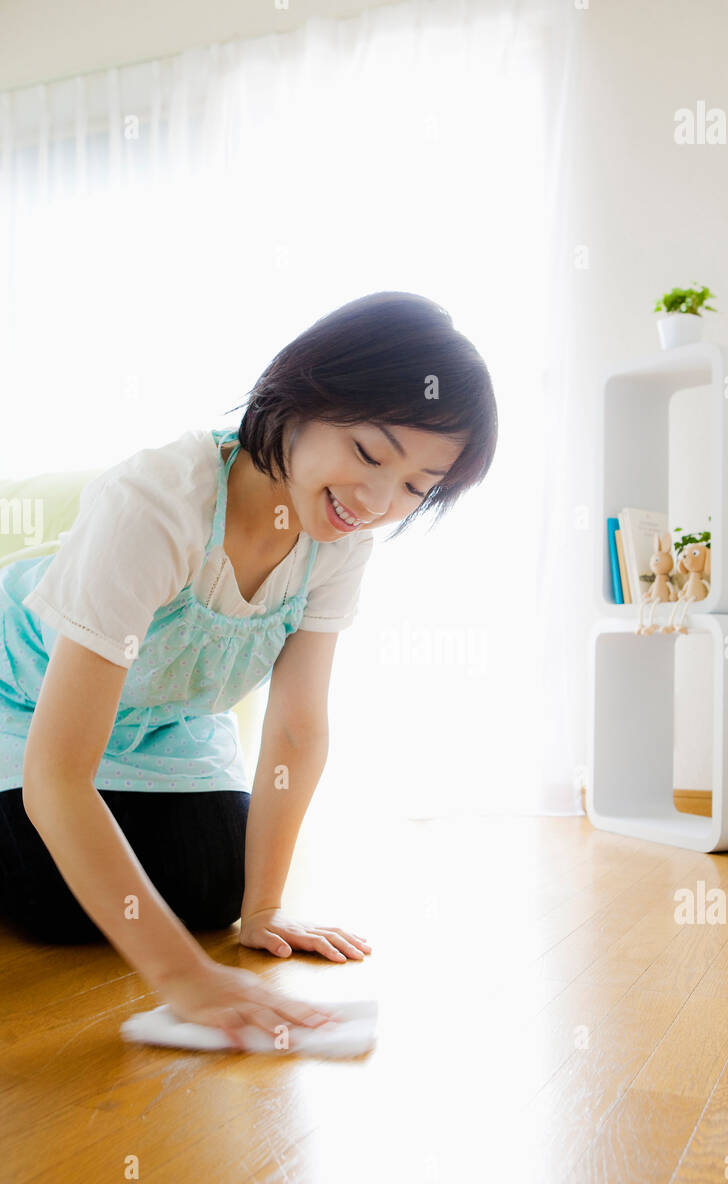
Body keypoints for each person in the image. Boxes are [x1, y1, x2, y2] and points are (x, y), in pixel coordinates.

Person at [0, 290, 498, 1045]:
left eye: (415, 489)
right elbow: (57, 773)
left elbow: (299, 728)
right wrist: (183, 979)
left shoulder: (341, 536)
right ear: (302, 395)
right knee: (52, 896)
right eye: (369, 453)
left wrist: (264, 910)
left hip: (157, 724)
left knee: (214, 886)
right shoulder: (157, 504)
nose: (374, 500)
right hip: (25, 704)